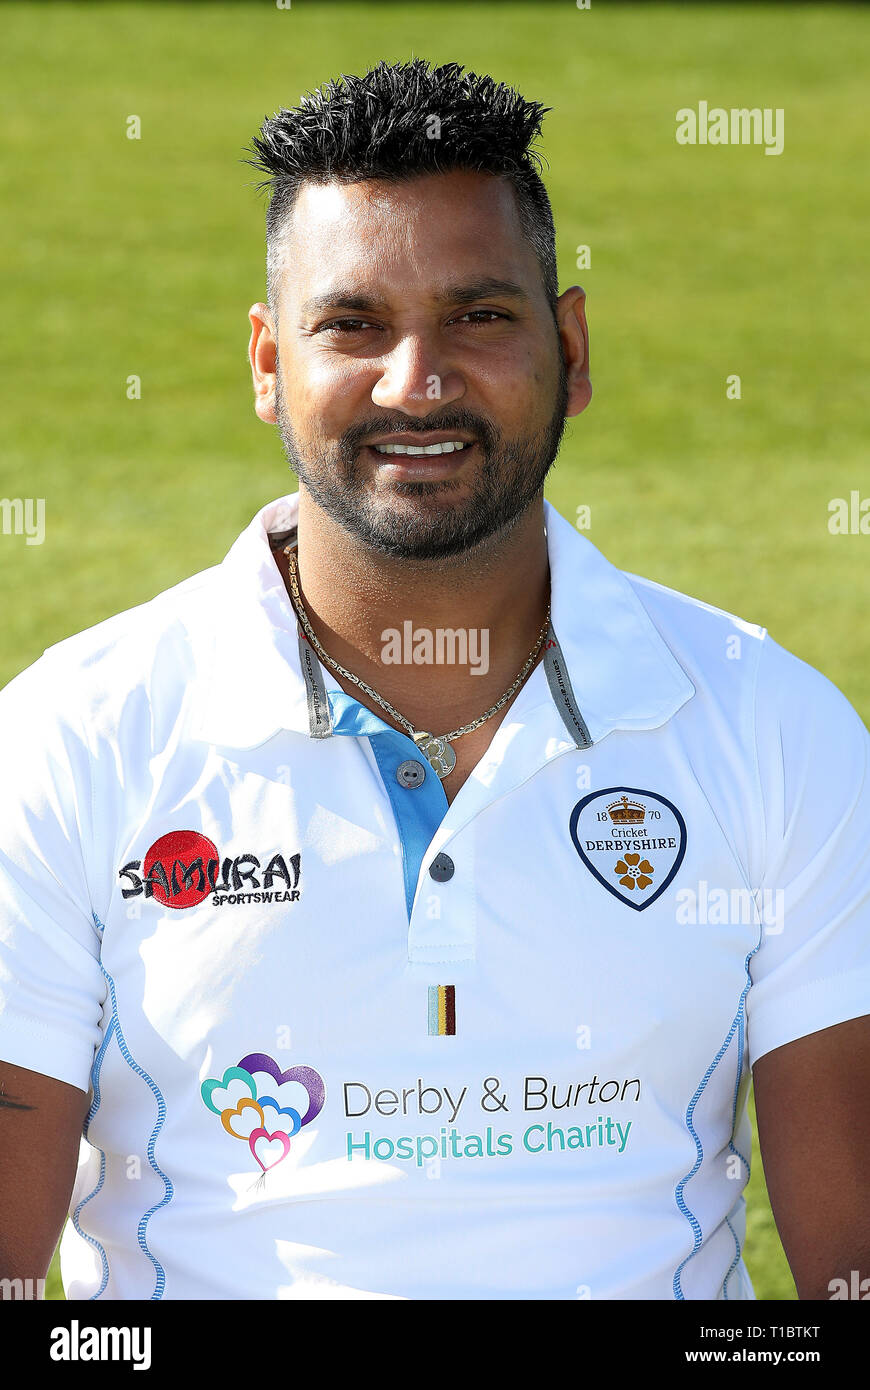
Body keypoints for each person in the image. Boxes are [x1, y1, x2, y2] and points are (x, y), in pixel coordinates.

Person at [0, 59, 868, 1302]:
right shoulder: (66, 739)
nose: (418, 381)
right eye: (351, 324)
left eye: (480, 316)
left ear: (569, 349)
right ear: (267, 363)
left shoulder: (777, 730)